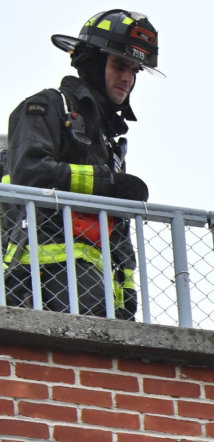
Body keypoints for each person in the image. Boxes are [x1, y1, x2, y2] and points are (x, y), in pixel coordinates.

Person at [2, 10, 159, 319]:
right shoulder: (48, 107)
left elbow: (118, 231)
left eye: (134, 70)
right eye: (119, 66)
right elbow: (29, 174)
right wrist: (106, 182)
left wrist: (126, 291)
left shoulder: (108, 142)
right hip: (44, 278)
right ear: (94, 63)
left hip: (96, 286)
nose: (127, 78)